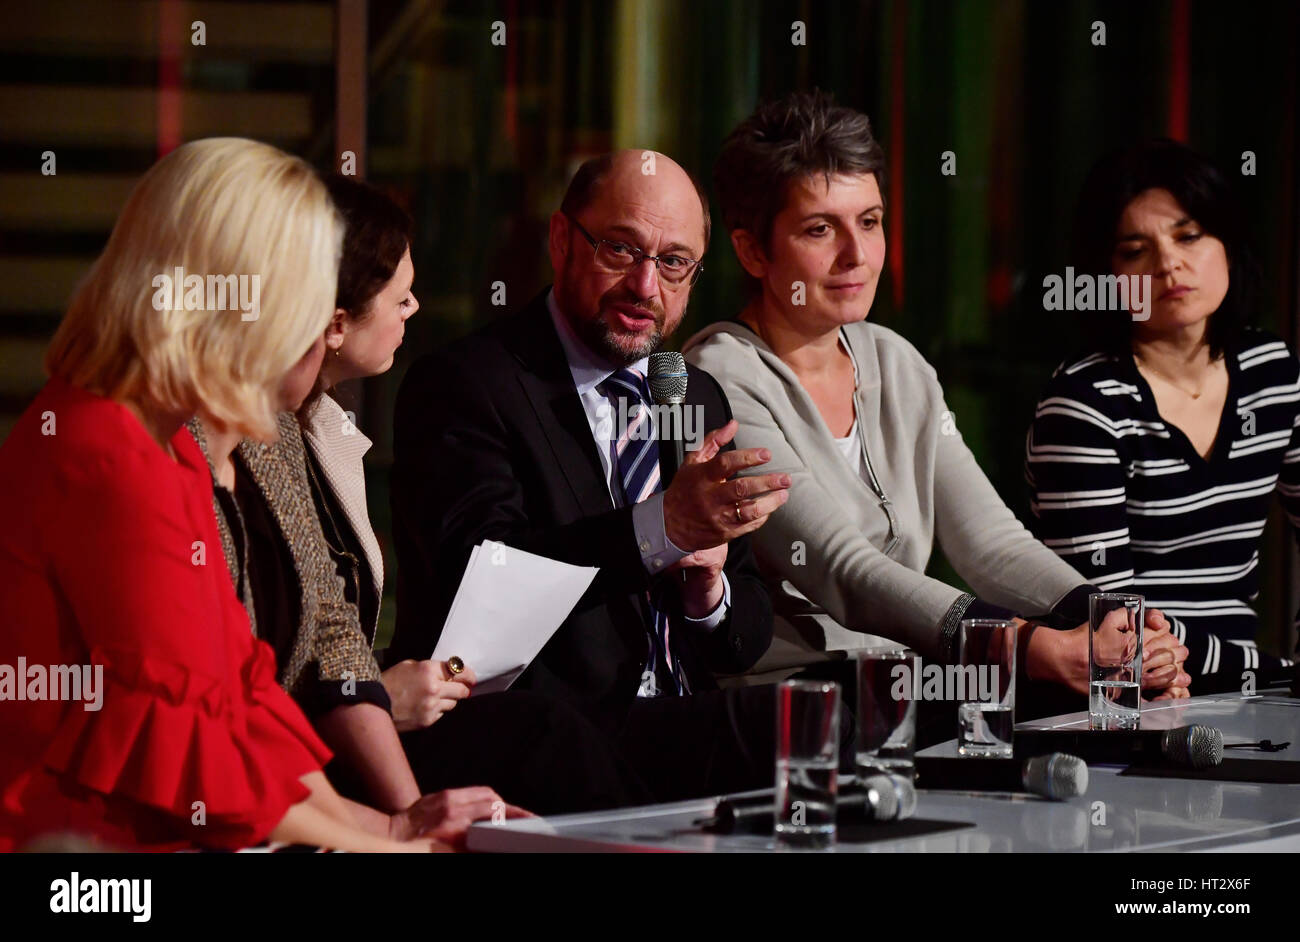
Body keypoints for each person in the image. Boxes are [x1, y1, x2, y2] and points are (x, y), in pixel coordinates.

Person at [681, 91, 1189, 715]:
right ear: (754, 252)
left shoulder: (896, 362)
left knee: (1114, 695)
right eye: (820, 229)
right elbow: (844, 570)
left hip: (906, 686)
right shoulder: (718, 378)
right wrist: (1024, 645)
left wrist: (1114, 618)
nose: (857, 256)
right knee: (1049, 692)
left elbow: (992, 543)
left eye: (869, 222)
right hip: (789, 705)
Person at [0, 138, 437, 851]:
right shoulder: (109, 451)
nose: (320, 326)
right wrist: (390, 847)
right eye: (307, 297)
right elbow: (203, 770)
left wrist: (394, 831)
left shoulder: (158, 440)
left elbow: (238, 707)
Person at [201, 173, 652, 816]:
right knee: (541, 736)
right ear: (334, 322)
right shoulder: (218, 438)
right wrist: (383, 713)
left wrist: (409, 812)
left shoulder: (309, 426)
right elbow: (227, 700)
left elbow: (331, 630)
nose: (415, 311)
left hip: (334, 731)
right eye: (401, 297)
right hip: (277, 762)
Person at [389, 149, 800, 802]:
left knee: (847, 717)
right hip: (547, 730)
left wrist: (708, 595)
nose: (645, 287)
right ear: (561, 240)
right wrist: (657, 529)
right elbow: (476, 568)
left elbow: (742, 637)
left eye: (673, 263)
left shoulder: (694, 398)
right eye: (620, 250)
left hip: (680, 719)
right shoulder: (467, 382)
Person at [1026, 139, 1299, 693]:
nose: (1168, 263)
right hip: (1116, 702)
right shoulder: (1084, 402)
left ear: (1227, 243)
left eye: (1189, 236)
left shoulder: (1274, 373)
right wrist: (1270, 671)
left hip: (1249, 695)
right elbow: (1114, 624)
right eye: (1134, 251)